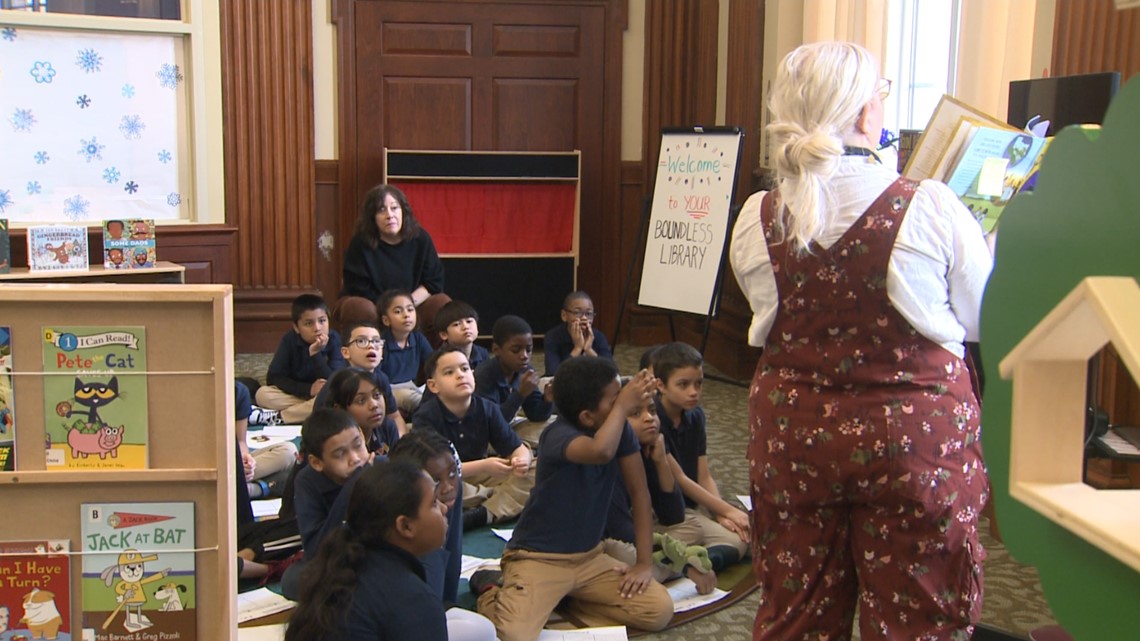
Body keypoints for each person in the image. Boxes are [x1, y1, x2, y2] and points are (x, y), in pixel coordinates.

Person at [729, 42, 991, 641]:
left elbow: (767, 314)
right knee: (917, 619)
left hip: (795, 439)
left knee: (795, 615)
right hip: (914, 448)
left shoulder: (756, 215)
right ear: (868, 114)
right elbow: (980, 321)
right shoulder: (931, 207)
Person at [471, 357, 673, 641]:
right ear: (587, 417)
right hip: (538, 558)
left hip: (589, 557)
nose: (623, 407)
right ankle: (491, 590)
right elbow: (599, 451)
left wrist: (643, 564)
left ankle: (566, 598)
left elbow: (640, 494)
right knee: (514, 636)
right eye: (615, 401)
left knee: (659, 610)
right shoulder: (558, 435)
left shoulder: (621, 431)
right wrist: (624, 407)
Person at [284, 459, 449, 641]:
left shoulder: (339, 566)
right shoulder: (414, 600)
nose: (444, 508)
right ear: (405, 526)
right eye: (433, 503)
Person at [603, 379, 717, 594]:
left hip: (637, 531)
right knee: (621, 553)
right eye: (636, 414)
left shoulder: (647, 447)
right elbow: (620, 530)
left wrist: (661, 461)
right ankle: (669, 567)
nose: (649, 419)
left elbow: (673, 515)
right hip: (608, 539)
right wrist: (685, 563)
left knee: (692, 527)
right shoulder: (608, 458)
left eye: (652, 411)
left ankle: (662, 566)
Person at [389, 430, 499, 641]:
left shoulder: (446, 498)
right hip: (402, 624)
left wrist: (448, 604)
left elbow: (450, 561)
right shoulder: (401, 524)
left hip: (429, 609)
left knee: (484, 630)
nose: (448, 487)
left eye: (452, 474)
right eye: (435, 481)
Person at [652, 342, 750, 571]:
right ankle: (688, 565)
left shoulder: (695, 416)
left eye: (698, 383)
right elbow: (681, 481)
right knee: (734, 538)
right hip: (663, 509)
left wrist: (720, 513)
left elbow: (703, 475)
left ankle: (689, 562)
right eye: (683, 385)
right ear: (661, 385)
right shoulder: (652, 419)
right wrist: (727, 510)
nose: (693, 391)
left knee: (744, 537)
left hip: (692, 504)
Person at [415, 345, 532, 530]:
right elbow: (432, 471)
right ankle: (497, 501)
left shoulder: (487, 408)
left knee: (537, 470)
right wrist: (485, 465)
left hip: (483, 476)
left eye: (465, 368)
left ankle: (483, 513)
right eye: (449, 372)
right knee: (428, 489)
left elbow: (516, 447)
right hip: (449, 480)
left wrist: (521, 461)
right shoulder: (426, 416)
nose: (460, 375)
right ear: (433, 385)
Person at [333, 183, 450, 339]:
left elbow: (433, 283)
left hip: (413, 303)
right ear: (372, 217)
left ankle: (433, 361)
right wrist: (391, 309)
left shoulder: (420, 238)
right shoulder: (361, 243)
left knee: (441, 303)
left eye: (394, 208)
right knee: (359, 308)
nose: (390, 215)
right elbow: (358, 287)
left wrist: (405, 307)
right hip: (373, 303)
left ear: (403, 211)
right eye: (382, 210)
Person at [279, 408, 373, 599]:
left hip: (377, 559)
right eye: (340, 454)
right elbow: (316, 549)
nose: (355, 459)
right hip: (337, 560)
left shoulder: (381, 468)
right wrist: (353, 486)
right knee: (292, 580)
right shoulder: (307, 481)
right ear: (316, 463)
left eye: (358, 445)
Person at [256, 294, 346, 424]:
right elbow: (274, 377)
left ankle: (280, 417)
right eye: (309, 323)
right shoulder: (289, 340)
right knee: (263, 394)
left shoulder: (334, 339)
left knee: (335, 399)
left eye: (322, 321)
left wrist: (315, 354)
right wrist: (308, 389)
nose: (317, 328)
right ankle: (307, 411)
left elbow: (333, 382)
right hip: (298, 394)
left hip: (326, 395)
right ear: (296, 327)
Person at [314, 320, 408, 436]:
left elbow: (394, 416)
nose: (371, 346)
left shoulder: (381, 378)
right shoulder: (340, 381)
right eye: (361, 341)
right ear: (345, 352)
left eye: (376, 341)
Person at [474, 315, 553, 446]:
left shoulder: (525, 370)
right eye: (516, 350)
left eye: (529, 349)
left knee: (554, 427)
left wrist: (547, 400)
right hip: (484, 432)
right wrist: (520, 394)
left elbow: (535, 415)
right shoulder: (484, 375)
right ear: (496, 350)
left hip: (510, 422)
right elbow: (490, 423)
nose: (524, 356)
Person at [320, 368, 401, 457]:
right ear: (340, 409)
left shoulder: (387, 427)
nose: (374, 405)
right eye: (361, 400)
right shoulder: (332, 442)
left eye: (377, 395)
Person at [377, 289, 433, 414]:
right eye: (398, 311)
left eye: (410, 309)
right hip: (388, 391)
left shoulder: (418, 338)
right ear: (386, 320)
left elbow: (434, 361)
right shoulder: (381, 342)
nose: (406, 315)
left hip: (413, 388)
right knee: (411, 399)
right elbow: (376, 375)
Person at [543, 291, 613, 376]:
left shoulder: (598, 337)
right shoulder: (553, 337)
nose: (584, 318)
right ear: (564, 315)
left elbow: (612, 372)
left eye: (588, 313)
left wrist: (589, 350)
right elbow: (553, 373)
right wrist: (577, 348)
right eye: (577, 313)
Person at [434, 299, 490, 370]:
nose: (465, 327)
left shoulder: (483, 353)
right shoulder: (440, 359)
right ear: (444, 335)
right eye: (457, 324)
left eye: (469, 321)